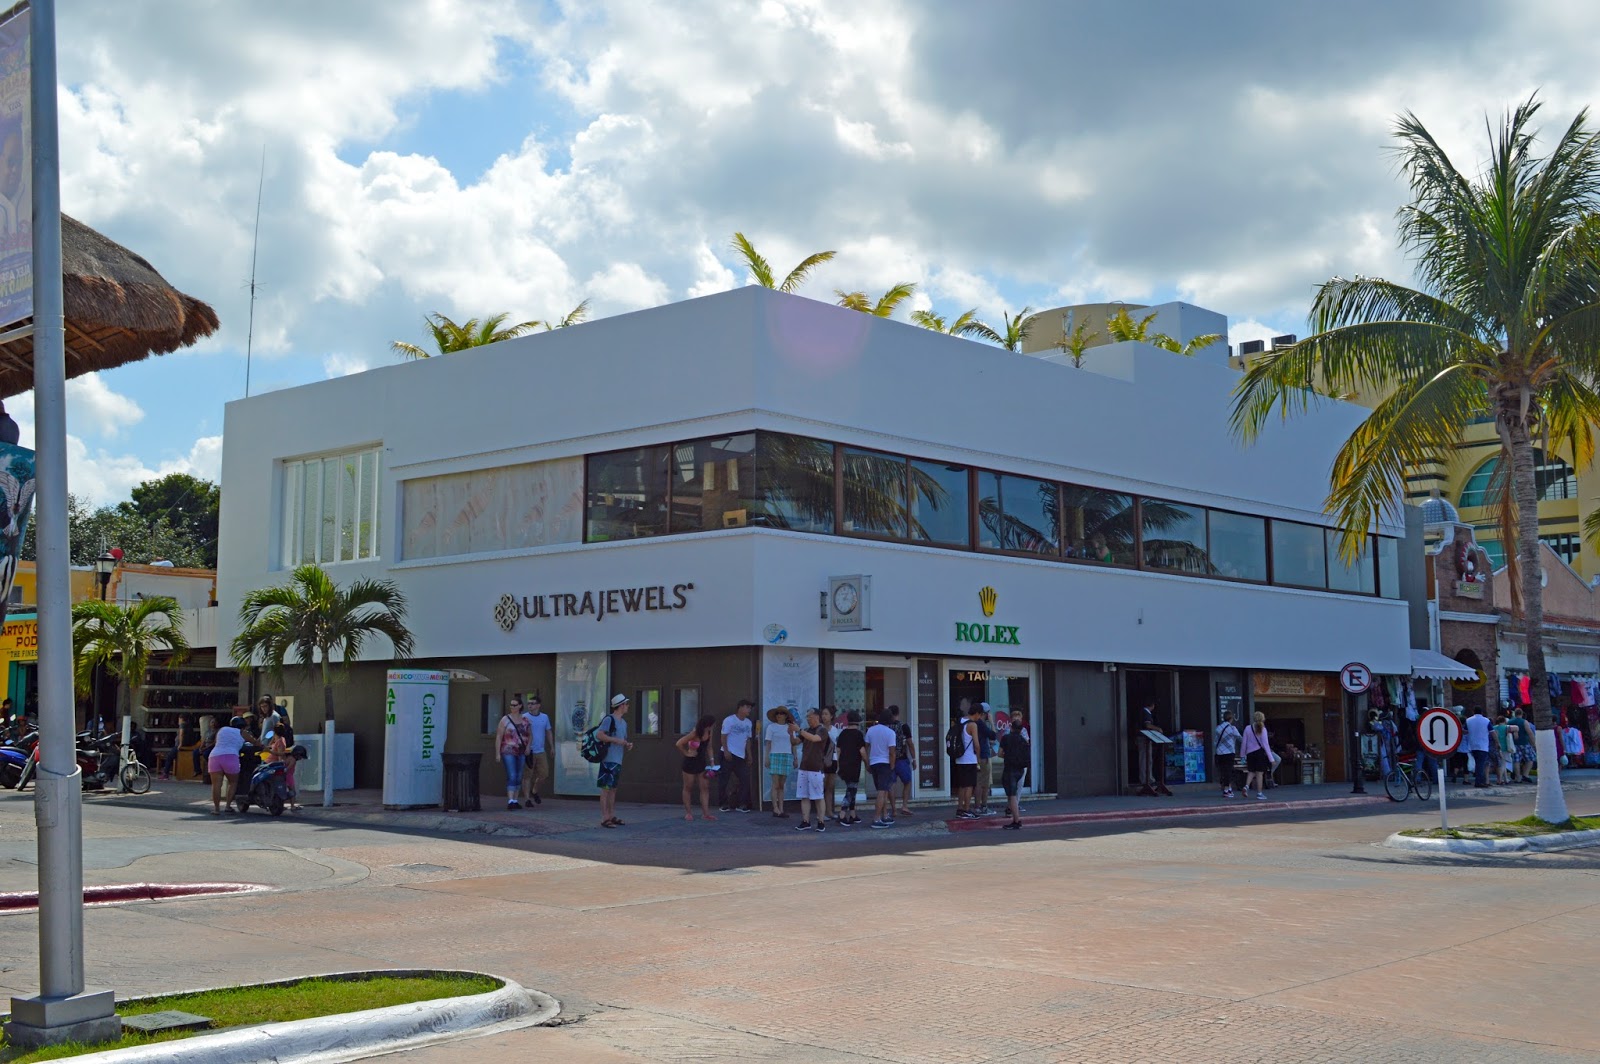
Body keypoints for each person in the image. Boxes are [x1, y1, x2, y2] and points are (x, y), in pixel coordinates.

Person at [596, 693, 633, 827]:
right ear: (621, 705)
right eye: (626, 704)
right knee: (605, 788)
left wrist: (627, 744)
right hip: (608, 759)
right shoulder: (609, 719)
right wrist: (615, 740)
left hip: (618, 759)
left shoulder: (624, 723)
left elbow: (623, 739)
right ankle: (604, 818)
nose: (628, 706)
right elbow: (599, 735)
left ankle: (611, 815)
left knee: (613, 789)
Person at [207, 715, 255, 815]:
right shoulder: (242, 732)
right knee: (233, 783)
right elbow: (255, 742)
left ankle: (216, 809)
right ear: (243, 726)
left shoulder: (222, 729)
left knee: (216, 785)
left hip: (214, 757)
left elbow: (216, 742)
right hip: (231, 757)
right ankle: (228, 806)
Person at [794, 708, 831, 832]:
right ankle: (806, 821)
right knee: (804, 796)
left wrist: (799, 730)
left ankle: (821, 822)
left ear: (816, 716)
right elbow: (795, 742)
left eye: (809, 716)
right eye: (807, 717)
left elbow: (815, 739)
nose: (808, 719)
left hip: (816, 768)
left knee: (818, 796)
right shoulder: (806, 730)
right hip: (804, 767)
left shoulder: (822, 730)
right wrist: (790, 732)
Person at [676, 713, 718, 821]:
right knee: (688, 787)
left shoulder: (709, 732)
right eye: (712, 725)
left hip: (701, 762)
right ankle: (688, 813)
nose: (713, 727)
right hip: (690, 762)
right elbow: (679, 743)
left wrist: (712, 761)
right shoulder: (695, 733)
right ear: (707, 725)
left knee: (704, 787)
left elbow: (709, 747)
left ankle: (706, 813)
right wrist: (686, 753)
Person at [718, 699, 756, 812]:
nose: (749, 710)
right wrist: (726, 751)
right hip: (728, 753)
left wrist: (749, 755)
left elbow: (748, 740)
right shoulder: (729, 720)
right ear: (740, 707)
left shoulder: (748, 723)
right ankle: (723, 804)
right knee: (724, 780)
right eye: (747, 707)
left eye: (750, 708)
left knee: (745, 779)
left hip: (741, 756)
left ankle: (742, 804)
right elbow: (723, 736)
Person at [865, 711, 898, 828]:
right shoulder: (890, 733)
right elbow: (892, 752)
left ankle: (884, 815)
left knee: (881, 790)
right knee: (882, 791)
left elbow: (865, 748)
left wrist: (867, 763)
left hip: (874, 763)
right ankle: (877, 818)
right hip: (885, 763)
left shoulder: (871, 730)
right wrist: (892, 766)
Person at [764, 705, 797, 818]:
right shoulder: (771, 727)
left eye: (781, 713)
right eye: (777, 713)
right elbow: (768, 743)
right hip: (775, 755)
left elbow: (794, 744)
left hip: (787, 755)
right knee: (775, 784)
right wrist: (766, 757)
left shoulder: (790, 727)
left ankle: (781, 809)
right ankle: (775, 808)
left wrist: (795, 758)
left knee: (782, 785)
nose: (779, 715)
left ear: (786, 716)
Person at [999, 712, 1030, 829]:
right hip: (1020, 769)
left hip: (1010, 769)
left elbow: (1000, 753)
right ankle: (1013, 814)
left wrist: (1007, 756)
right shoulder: (1023, 740)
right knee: (1014, 793)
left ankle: (1016, 820)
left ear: (1010, 727)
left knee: (1011, 795)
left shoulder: (1006, 738)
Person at [520, 696, 554, 807]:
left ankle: (534, 790)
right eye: (529, 703)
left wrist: (552, 747)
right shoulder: (524, 717)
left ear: (538, 705)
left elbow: (548, 732)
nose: (530, 705)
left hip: (540, 750)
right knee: (527, 775)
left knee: (544, 774)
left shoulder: (544, 717)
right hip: (528, 751)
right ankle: (527, 800)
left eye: (533, 703)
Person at [494, 699, 528, 810]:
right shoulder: (505, 719)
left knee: (519, 775)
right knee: (512, 774)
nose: (512, 707)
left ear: (520, 706)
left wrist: (528, 747)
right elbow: (499, 736)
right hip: (508, 750)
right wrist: (497, 753)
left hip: (521, 750)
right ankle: (510, 800)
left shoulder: (525, 719)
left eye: (514, 705)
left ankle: (515, 800)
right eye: (511, 705)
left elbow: (530, 735)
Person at [834, 710, 865, 826]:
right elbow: (862, 751)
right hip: (854, 765)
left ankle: (852, 814)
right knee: (851, 790)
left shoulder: (843, 734)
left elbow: (838, 750)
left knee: (852, 789)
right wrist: (867, 763)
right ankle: (842, 814)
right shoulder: (858, 734)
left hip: (844, 765)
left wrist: (838, 765)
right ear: (857, 722)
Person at [886, 705, 917, 817]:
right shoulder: (904, 726)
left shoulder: (886, 727)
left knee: (891, 785)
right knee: (907, 782)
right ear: (898, 713)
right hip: (902, 759)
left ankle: (894, 809)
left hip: (889, 759)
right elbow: (910, 744)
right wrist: (914, 759)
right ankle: (904, 806)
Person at [953, 703, 981, 818]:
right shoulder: (972, 725)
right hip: (969, 759)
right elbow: (976, 744)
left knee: (962, 785)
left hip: (959, 758)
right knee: (969, 785)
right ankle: (967, 809)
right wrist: (978, 759)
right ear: (978, 713)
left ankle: (960, 808)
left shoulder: (960, 721)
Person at [1240, 711, 1274, 799]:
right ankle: (1259, 793)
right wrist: (1271, 759)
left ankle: (1246, 787)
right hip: (1259, 753)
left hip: (1250, 754)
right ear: (1262, 719)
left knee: (1251, 771)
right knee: (1259, 774)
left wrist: (1242, 755)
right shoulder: (1263, 729)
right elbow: (1265, 744)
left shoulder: (1247, 728)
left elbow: (1244, 743)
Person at [974, 703, 998, 815]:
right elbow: (993, 735)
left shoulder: (975, 723)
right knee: (984, 783)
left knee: (979, 782)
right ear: (986, 714)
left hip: (978, 755)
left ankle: (979, 806)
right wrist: (992, 722)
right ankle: (982, 806)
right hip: (984, 756)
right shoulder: (981, 724)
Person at [1214, 709, 1242, 797]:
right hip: (1229, 752)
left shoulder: (1218, 728)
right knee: (1228, 771)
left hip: (1219, 753)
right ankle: (1226, 790)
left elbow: (1215, 742)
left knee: (1223, 771)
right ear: (1231, 718)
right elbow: (1240, 738)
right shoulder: (1232, 728)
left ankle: (1229, 788)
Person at [1464, 704, 1492, 788]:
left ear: (1473, 712)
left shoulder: (1468, 720)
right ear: (1482, 712)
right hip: (1483, 746)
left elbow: (1465, 731)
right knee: (1481, 764)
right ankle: (1479, 782)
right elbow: (1492, 732)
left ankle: (1481, 780)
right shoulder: (1486, 721)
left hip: (1472, 745)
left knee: (1478, 763)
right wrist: (1497, 742)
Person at [820, 706, 840, 822]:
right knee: (821, 787)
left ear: (831, 716)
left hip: (833, 759)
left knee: (830, 787)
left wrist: (839, 762)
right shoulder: (819, 728)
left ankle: (830, 811)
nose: (824, 716)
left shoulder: (834, 730)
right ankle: (821, 812)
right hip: (821, 760)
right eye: (823, 714)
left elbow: (837, 746)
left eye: (826, 714)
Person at [1510, 707, 1535, 782]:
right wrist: (1533, 743)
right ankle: (1525, 774)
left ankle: (1518, 777)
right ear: (1522, 714)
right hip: (1524, 743)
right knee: (1530, 758)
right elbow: (1529, 733)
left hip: (1514, 744)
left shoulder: (1510, 722)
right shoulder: (1524, 722)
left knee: (1516, 760)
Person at [1493, 712, 1516, 785]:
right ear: (1504, 721)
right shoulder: (1507, 727)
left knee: (1502, 763)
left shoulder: (1494, 727)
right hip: (1505, 747)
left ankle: (1506, 779)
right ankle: (1499, 780)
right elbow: (1516, 728)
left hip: (1496, 747)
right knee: (1503, 764)